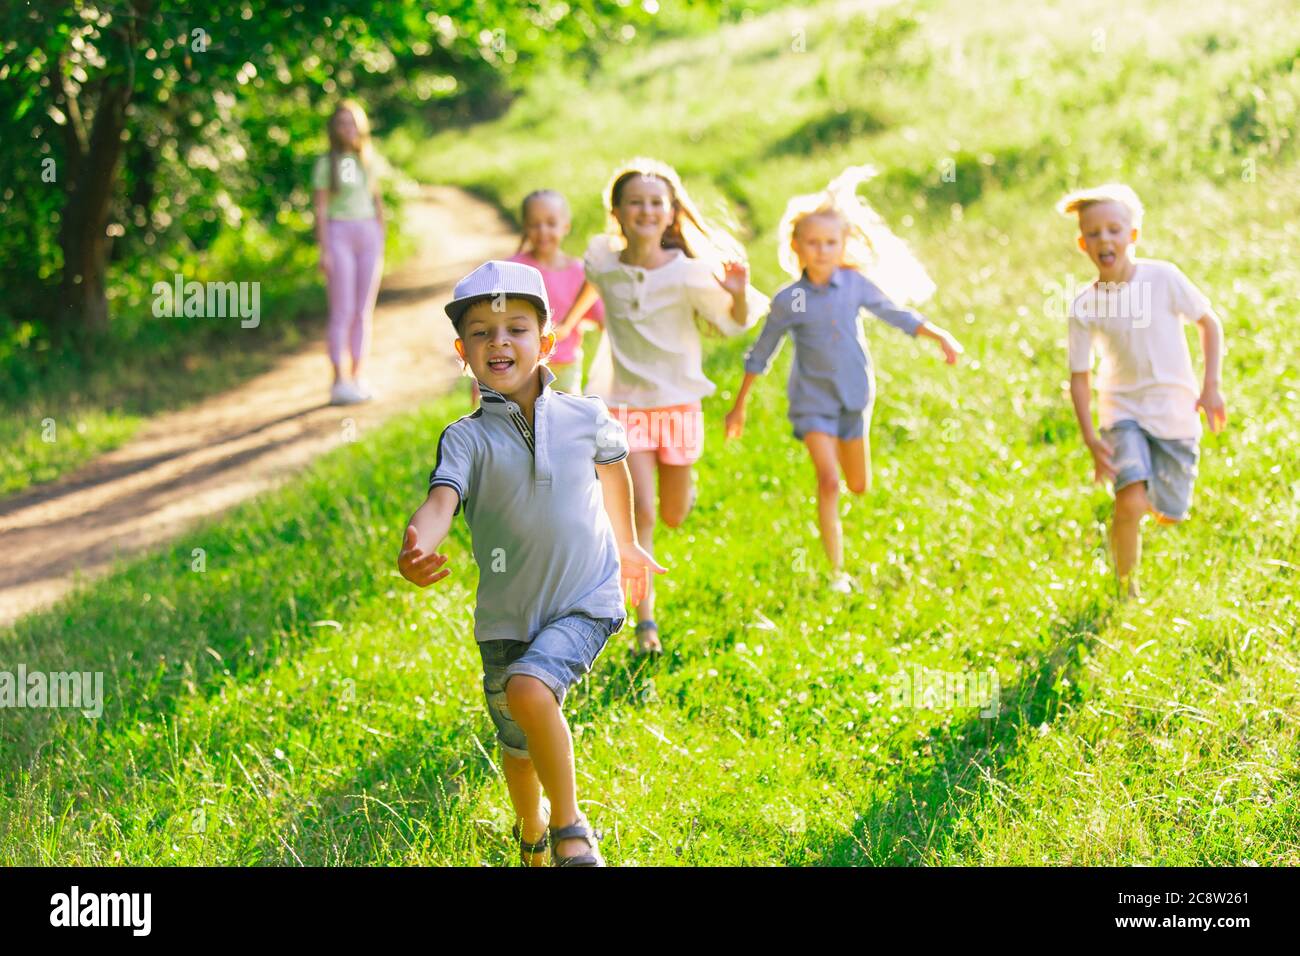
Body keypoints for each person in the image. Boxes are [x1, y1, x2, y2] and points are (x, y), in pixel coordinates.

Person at [398, 260, 665, 866]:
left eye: (516, 328)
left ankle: (572, 828)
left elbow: (613, 467)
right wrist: (419, 543)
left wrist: (625, 545)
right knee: (517, 749)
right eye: (482, 333)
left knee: (528, 687)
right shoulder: (464, 438)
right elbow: (442, 501)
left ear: (546, 342)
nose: (500, 342)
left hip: (584, 599)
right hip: (505, 618)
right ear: (462, 350)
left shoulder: (586, 414)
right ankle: (533, 835)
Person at [557, 158, 767, 655]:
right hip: (623, 405)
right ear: (618, 211)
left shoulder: (690, 273)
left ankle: (644, 571)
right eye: (636, 202)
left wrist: (736, 295)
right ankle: (644, 621)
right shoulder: (602, 259)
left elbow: (735, 323)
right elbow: (593, 286)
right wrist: (563, 328)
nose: (646, 211)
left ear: (671, 213)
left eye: (656, 203)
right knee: (642, 511)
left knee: (674, 513)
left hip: (677, 406)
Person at [724, 165, 962, 593]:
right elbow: (761, 353)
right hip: (811, 401)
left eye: (830, 243)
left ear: (843, 244)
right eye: (812, 243)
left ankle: (845, 539)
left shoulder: (854, 284)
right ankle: (837, 573)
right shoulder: (789, 299)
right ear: (796, 247)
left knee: (857, 484)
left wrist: (939, 335)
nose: (821, 250)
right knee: (829, 481)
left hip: (854, 394)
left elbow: (896, 315)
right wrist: (738, 405)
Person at [1059, 183, 1226, 599]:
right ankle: (1125, 589)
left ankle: (1143, 507)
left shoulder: (1163, 278)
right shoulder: (1084, 305)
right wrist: (1090, 437)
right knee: (1130, 501)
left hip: (1174, 409)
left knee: (1169, 514)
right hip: (1122, 410)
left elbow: (1209, 323)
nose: (1104, 239)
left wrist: (1211, 387)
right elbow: (1079, 376)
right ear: (1082, 244)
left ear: (1132, 235)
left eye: (1114, 229)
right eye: (1093, 233)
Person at [312, 99, 386, 406]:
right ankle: (338, 380)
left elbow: (377, 201)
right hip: (339, 233)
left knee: (362, 312)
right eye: (342, 123)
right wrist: (325, 250)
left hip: (368, 234)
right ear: (334, 128)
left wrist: (381, 236)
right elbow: (320, 209)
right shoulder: (325, 164)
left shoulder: (367, 161)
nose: (347, 128)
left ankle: (357, 377)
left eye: (352, 122)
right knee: (342, 311)